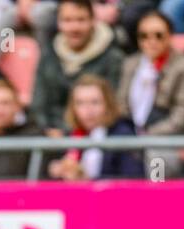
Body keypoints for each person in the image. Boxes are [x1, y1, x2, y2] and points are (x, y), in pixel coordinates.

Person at [117, 11, 184, 174]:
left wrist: (147, 135)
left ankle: (157, 190)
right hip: (132, 132)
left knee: (157, 161)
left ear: (170, 36)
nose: (151, 41)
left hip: (167, 139)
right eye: (144, 36)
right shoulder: (130, 64)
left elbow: (181, 117)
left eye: (158, 35)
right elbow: (121, 103)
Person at [31, 0, 125, 134]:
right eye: (67, 20)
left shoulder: (113, 58)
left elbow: (112, 105)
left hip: (99, 136)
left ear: (93, 21)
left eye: (81, 20)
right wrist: (48, 130)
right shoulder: (48, 55)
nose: (74, 27)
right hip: (52, 136)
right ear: (58, 23)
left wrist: (69, 133)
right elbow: (39, 105)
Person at [48, 74, 142, 179]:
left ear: (108, 104)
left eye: (95, 102)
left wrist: (86, 179)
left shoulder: (123, 134)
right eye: (80, 103)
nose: (88, 110)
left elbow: (132, 179)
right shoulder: (73, 135)